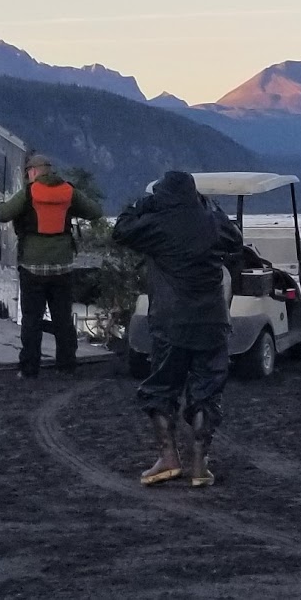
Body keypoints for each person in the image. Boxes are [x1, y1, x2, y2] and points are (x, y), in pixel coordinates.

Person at [112, 170, 243, 488]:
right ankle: (199, 464)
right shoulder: (211, 223)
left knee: (160, 389)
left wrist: (144, 202)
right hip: (212, 320)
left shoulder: (156, 225)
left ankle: (168, 458)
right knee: (206, 393)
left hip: (171, 322)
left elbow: (121, 229)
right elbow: (235, 239)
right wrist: (211, 206)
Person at [0, 153, 104, 378]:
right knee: (63, 318)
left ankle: (29, 369)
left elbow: (2, 215)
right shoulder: (68, 191)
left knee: (32, 319)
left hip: (32, 266)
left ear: (33, 172)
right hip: (62, 266)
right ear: (50, 170)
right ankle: (66, 366)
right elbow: (95, 212)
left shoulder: (28, 192)